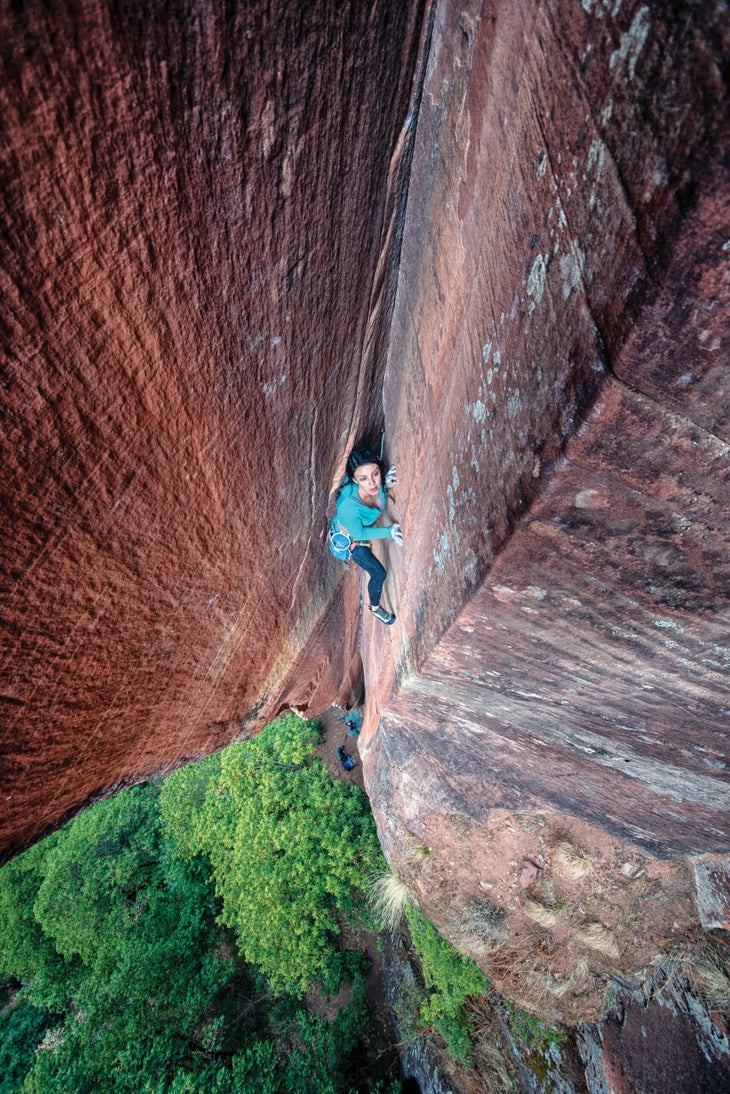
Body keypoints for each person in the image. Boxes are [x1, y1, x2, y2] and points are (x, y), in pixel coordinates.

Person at [335, 448, 403, 625]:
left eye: (376, 474)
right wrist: (389, 531)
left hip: (358, 528)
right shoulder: (347, 507)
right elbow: (360, 533)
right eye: (363, 479)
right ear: (354, 480)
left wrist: (385, 485)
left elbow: (376, 489)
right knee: (379, 573)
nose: (372, 483)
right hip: (352, 541)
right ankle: (375, 608)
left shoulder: (376, 486)